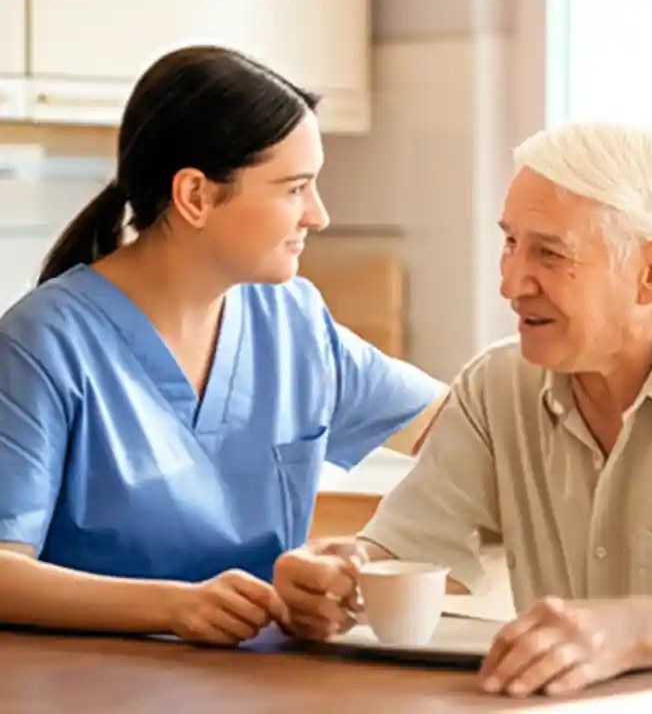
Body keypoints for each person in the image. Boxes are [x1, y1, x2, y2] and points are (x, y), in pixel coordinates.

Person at [274, 122, 652, 696]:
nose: (512, 283)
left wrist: (631, 632)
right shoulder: (496, 387)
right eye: (510, 243)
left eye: (550, 254)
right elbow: (407, 555)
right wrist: (339, 575)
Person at [0, 46, 444, 646]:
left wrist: (364, 552)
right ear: (196, 197)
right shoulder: (44, 344)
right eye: (295, 188)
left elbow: (467, 430)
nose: (319, 215)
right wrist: (171, 607)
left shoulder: (294, 322)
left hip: (264, 684)